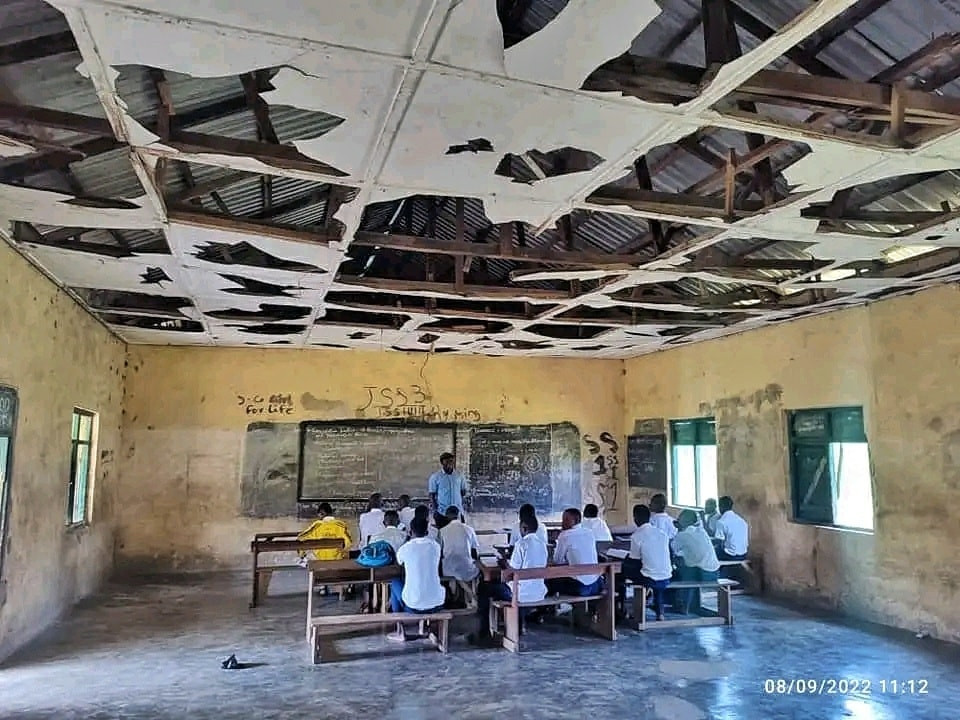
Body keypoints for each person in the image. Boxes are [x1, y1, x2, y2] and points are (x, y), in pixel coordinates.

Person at [468, 516, 548, 645]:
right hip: (539, 592)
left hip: (519, 593)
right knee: (497, 586)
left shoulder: (522, 544)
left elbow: (513, 571)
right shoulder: (542, 545)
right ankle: (518, 623)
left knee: (484, 587)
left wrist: (503, 562)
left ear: (524, 528)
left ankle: (483, 632)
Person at [624, 504, 672, 621]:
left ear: (635, 518)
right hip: (667, 576)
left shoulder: (637, 536)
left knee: (624, 570)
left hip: (648, 578)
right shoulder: (662, 533)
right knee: (653, 571)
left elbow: (634, 560)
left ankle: (628, 608)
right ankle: (660, 612)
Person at [390, 516, 445, 615]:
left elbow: (399, 561)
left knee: (395, 582)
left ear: (410, 532)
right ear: (427, 532)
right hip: (436, 603)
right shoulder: (435, 546)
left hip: (413, 605)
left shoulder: (406, 548)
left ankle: (397, 620)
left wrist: (407, 540)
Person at [670, 508, 720, 614]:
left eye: (679, 518)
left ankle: (683, 605)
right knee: (689, 565)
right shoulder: (701, 531)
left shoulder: (682, 535)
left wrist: (678, 530)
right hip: (714, 573)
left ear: (683, 521)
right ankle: (692, 605)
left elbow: (671, 549)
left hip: (701, 574)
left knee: (681, 568)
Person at [547, 507, 602, 596]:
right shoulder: (589, 533)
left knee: (550, 582)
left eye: (566, 519)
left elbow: (557, 561)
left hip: (580, 587)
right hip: (596, 585)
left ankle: (554, 608)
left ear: (575, 520)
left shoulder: (565, 535)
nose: (562, 522)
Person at [438, 506, 480, 583]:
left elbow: (440, 553)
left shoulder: (442, 531)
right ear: (459, 515)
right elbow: (474, 552)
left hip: (448, 570)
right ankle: (472, 592)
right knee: (478, 569)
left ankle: (451, 593)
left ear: (446, 517)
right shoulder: (469, 529)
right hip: (467, 569)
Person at [714, 496, 749, 561]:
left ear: (720, 507)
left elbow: (719, 542)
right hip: (743, 554)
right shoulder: (742, 520)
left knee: (711, 553)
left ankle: (717, 571)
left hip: (731, 555)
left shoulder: (721, 521)